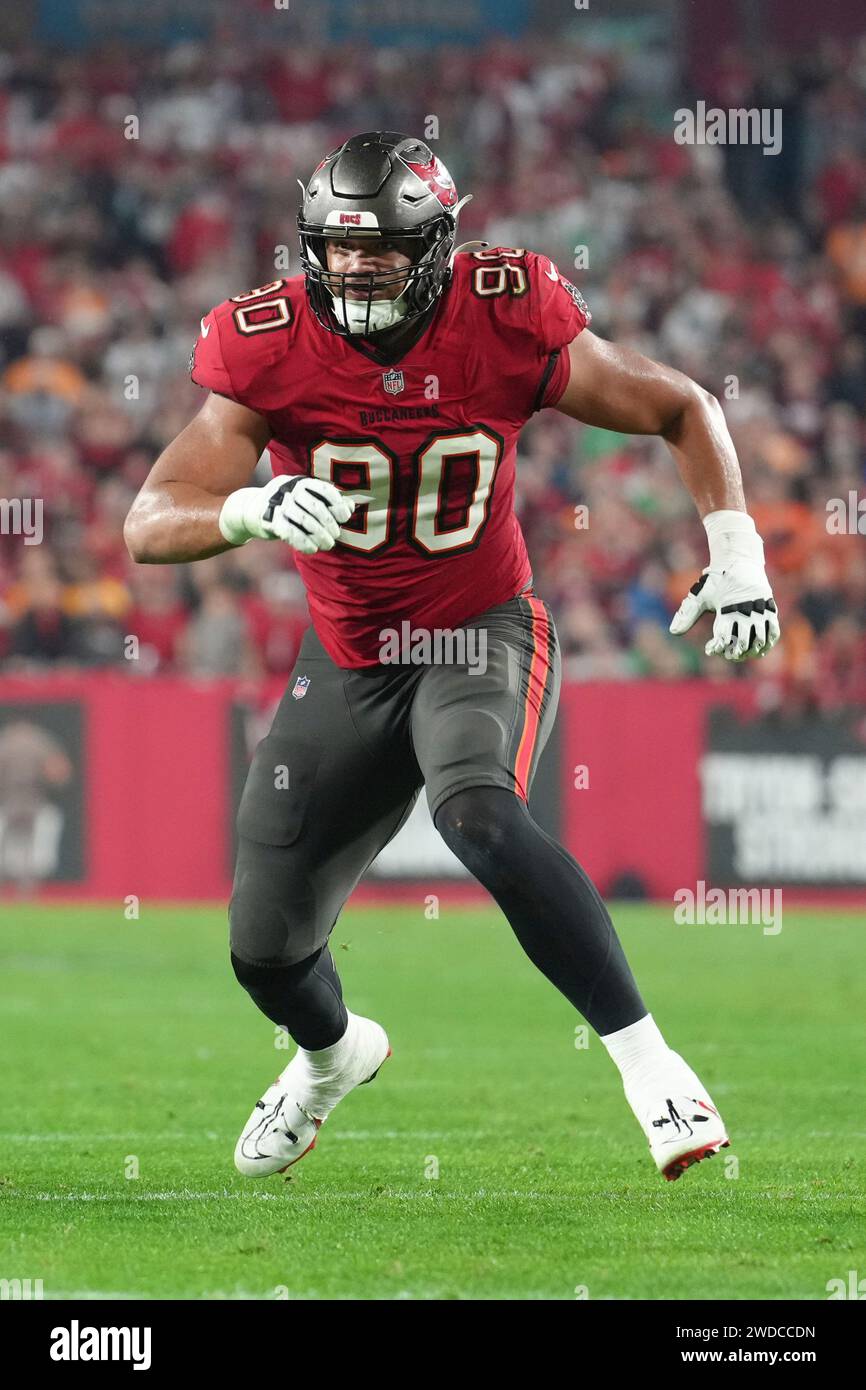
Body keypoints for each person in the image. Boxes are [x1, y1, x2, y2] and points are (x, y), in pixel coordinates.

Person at [124, 132, 780, 1182]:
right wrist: (249, 507)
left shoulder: (507, 310)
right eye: (336, 253)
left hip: (479, 629)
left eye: (380, 250)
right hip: (346, 660)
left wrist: (736, 551)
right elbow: (149, 519)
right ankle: (334, 1058)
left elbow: (677, 405)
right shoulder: (265, 342)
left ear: (437, 246)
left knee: (476, 809)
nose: (354, 272)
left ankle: (650, 1067)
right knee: (263, 947)